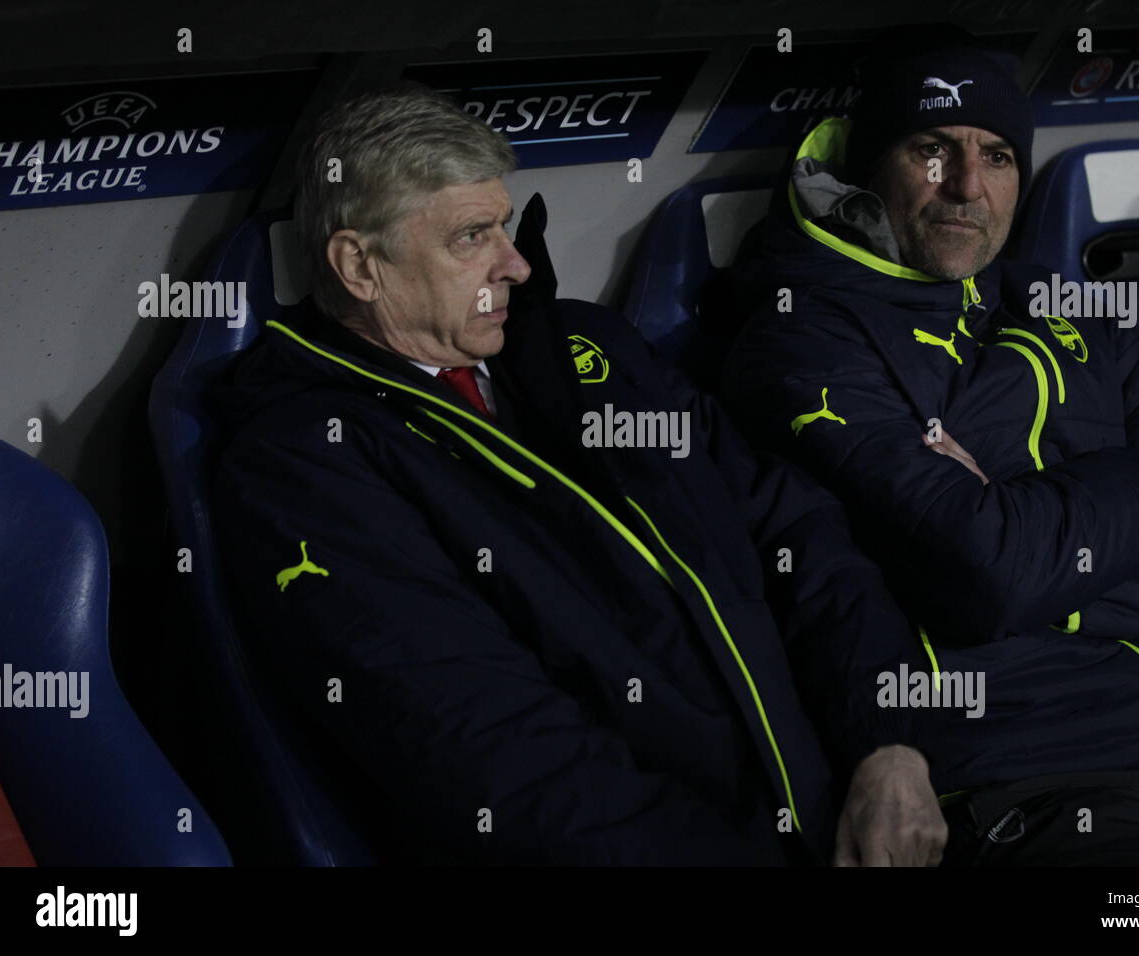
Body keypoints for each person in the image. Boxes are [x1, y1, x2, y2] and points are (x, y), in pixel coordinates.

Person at [210, 85, 954, 865]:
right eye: (472, 237)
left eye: (504, 225)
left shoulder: (585, 353)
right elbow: (496, 758)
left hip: (844, 809)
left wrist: (890, 743)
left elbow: (798, 533)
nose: (518, 262)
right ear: (359, 265)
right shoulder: (307, 464)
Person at [720, 41, 1139, 863]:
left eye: (996, 155)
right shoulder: (804, 340)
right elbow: (989, 567)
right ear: (870, 168)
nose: (967, 187)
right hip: (1026, 790)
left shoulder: (1063, 313)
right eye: (930, 150)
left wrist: (1049, 571)